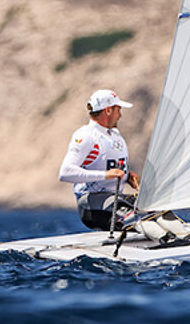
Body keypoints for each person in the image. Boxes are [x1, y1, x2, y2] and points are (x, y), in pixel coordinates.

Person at [59, 89, 141, 231]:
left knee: (156, 210)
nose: (120, 115)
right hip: (92, 205)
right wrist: (106, 175)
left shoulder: (114, 135)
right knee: (139, 219)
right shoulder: (86, 136)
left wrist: (127, 176)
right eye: (118, 110)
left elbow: (105, 165)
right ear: (108, 111)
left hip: (115, 200)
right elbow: (65, 173)